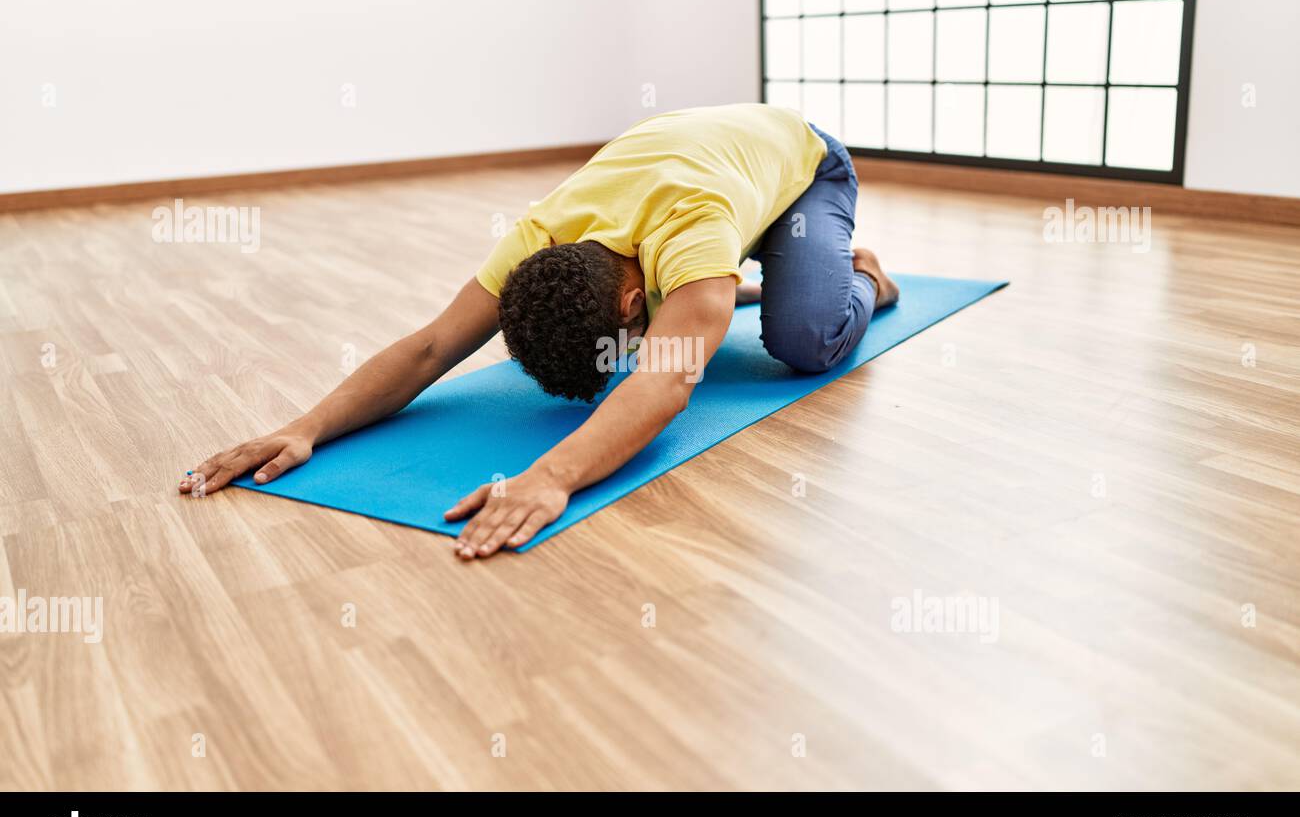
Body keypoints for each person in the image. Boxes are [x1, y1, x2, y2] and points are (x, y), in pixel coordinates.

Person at [178, 103, 899, 558]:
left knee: (805, 341)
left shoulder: (692, 225)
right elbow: (431, 346)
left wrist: (550, 476)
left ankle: (862, 277)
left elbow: (669, 380)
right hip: (712, 167)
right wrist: (306, 426)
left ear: (627, 307)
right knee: (696, 300)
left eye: (625, 342)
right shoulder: (539, 238)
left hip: (803, 170)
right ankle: (729, 291)